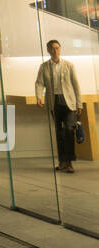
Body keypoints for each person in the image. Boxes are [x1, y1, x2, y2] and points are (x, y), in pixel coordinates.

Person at [35, 39, 82, 174]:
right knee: (59, 132)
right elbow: (39, 83)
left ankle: (69, 162)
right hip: (53, 101)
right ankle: (62, 162)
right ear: (48, 50)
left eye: (57, 48)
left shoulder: (69, 65)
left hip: (69, 101)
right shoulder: (44, 67)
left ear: (60, 49)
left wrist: (79, 103)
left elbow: (76, 85)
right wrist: (39, 96)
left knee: (68, 129)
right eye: (52, 48)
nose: (55, 50)